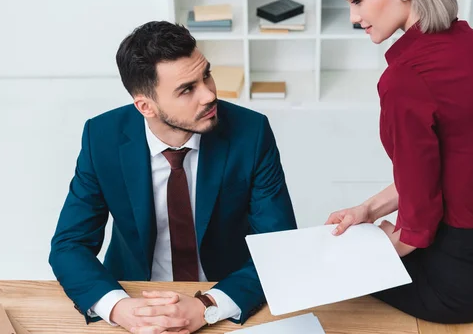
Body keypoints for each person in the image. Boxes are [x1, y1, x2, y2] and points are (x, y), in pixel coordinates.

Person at [324, 0, 473, 325]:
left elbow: (419, 223)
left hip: (459, 281)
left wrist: (377, 249)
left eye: (356, 1)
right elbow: (445, 169)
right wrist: (368, 210)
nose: (353, 17)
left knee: (329, 276)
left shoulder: (406, 79)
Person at [49, 21, 297, 334]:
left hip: (224, 290)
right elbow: (69, 245)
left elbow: (280, 246)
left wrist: (208, 304)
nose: (209, 94)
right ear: (145, 106)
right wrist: (120, 307)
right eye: (187, 89)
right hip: (134, 292)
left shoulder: (251, 132)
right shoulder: (102, 138)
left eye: (206, 74)